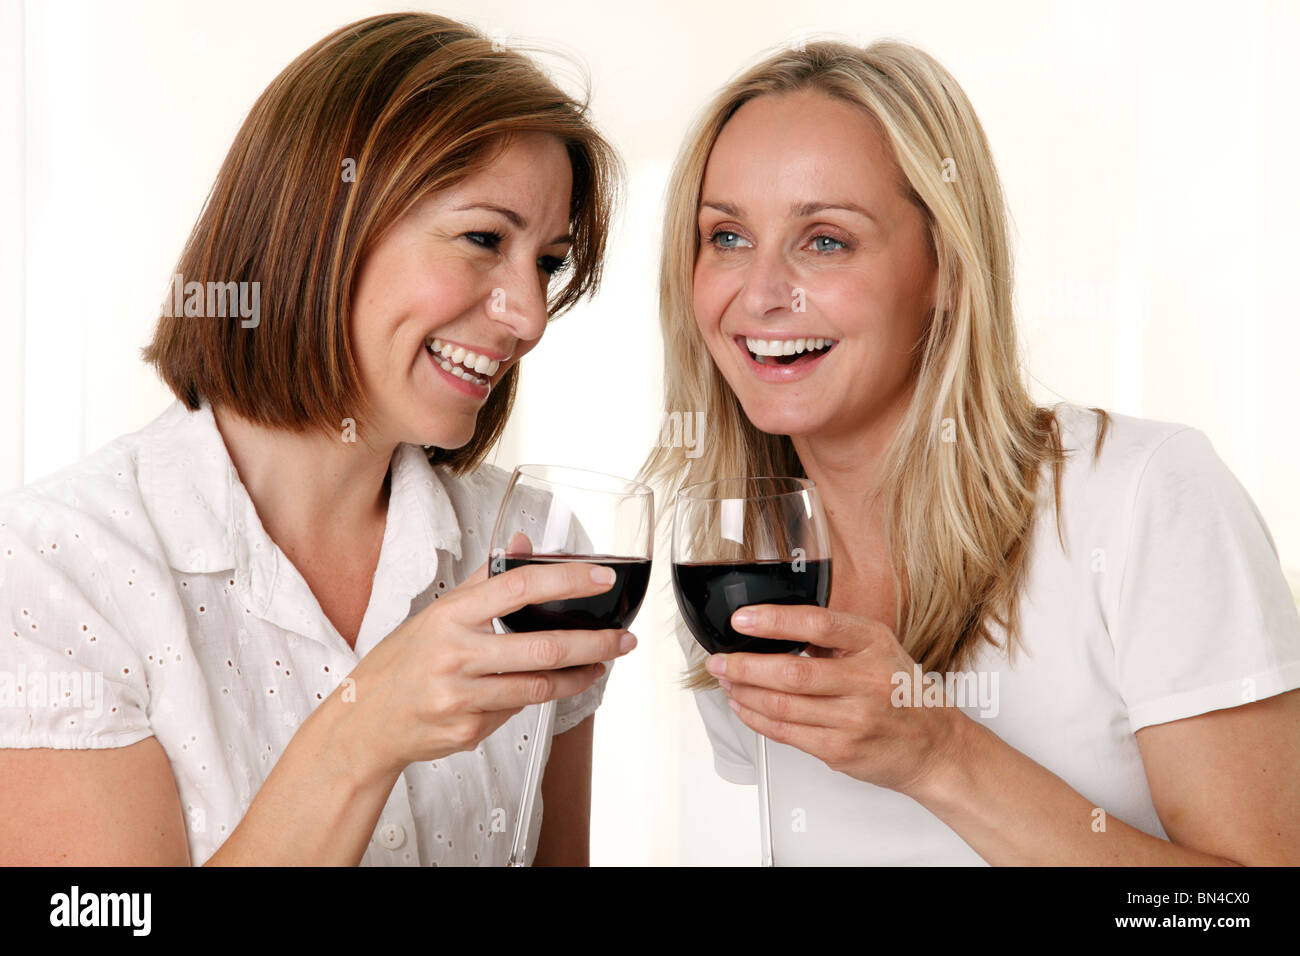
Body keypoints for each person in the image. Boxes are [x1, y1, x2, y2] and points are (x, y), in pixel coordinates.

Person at [642, 38, 1300, 864]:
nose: (763, 292)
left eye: (826, 240)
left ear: (946, 267)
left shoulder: (1144, 500)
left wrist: (940, 754)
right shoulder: (741, 562)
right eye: (728, 238)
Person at [0, 12, 631, 866]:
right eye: (485, 238)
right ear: (319, 226)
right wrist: (364, 728)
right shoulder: (52, 573)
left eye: (547, 263)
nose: (528, 316)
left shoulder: (529, 549)